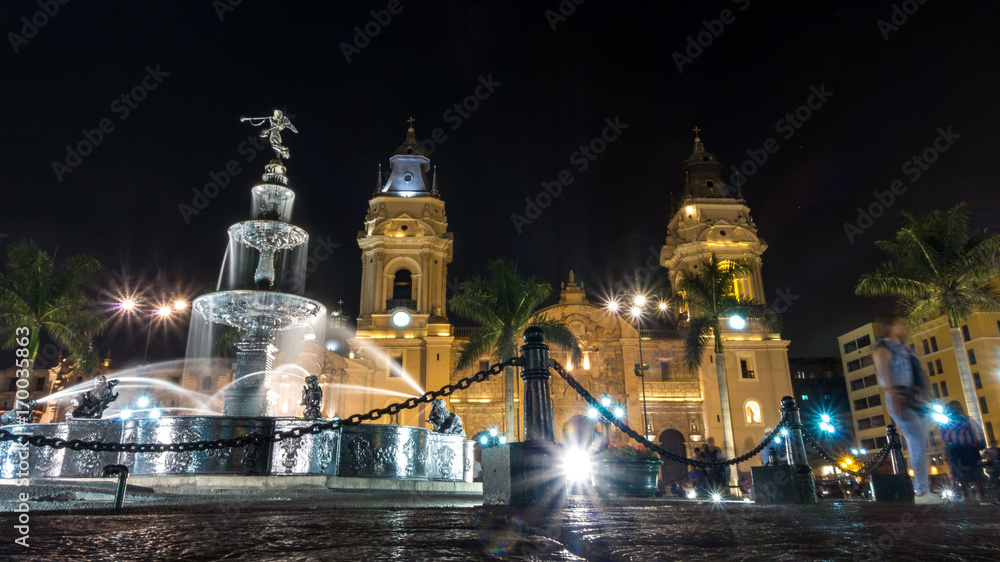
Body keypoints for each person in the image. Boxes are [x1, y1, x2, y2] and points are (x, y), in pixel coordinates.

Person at [872, 313, 945, 503]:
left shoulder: (905, 349)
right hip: (900, 395)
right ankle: (920, 492)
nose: (904, 326)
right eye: (900, 322)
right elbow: (884, 371)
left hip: (914, 398)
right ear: (890, 326)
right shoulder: (884, 346)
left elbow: (918, 375)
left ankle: (922, 490)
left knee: (919, 441)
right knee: (916, 442)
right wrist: (895, 396)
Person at [940, 400, 986, 501]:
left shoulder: (947, 421)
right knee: (975, 473)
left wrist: (946, 452)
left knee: (961, 474)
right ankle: (981, 495)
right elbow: (977, 431)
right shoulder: (966, 419)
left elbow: (945, 437)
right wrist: (981, 443)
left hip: (958, 451)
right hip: (969, 449)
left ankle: (967, 496)